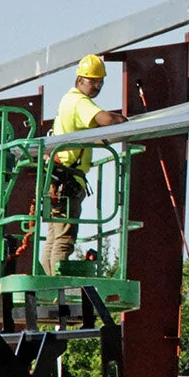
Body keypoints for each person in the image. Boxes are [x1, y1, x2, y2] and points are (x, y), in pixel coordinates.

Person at [40, 54, 127, 278]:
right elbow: (106, 120)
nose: (97, 86)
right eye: (92, 81)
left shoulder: (67, 100)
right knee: (63, 239)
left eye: (100, 82)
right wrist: (123, 121)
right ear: (80, 80)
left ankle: (48, 282)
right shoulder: (79, 103)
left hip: (57, 179)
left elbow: (81, 137)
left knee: (54, 237)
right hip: (67, 182)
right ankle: (55, 284)